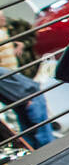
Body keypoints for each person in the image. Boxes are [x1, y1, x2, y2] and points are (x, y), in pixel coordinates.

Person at [0, 10, 54, 148]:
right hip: (24, 94)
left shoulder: (14, 27)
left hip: (26, 91)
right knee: (35, 138)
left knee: (39, 138)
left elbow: (32, 36)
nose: (4, 19)